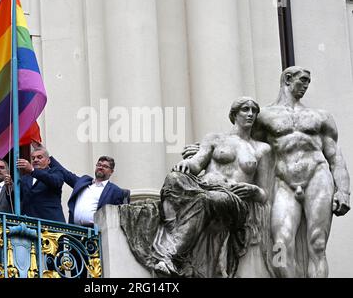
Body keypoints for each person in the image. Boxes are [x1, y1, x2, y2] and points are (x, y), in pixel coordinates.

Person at [149, 97, 274, 277]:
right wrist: (186, 164)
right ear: (234, 114)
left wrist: (253, 190)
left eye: (254, 111)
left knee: (205, 200)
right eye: (245, 109)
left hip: (233, 198)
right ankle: (172, 230)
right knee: (173, 178)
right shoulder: (215, 138)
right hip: (204, 186)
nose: (250, 114)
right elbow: (197, 163)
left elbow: (265, 193)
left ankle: (170, 255)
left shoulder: (262, 149)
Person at [252, 66, 350, 278]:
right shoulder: (264, 116)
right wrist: (204, 148)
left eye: (308, 81)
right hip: (284, 181)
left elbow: (335, 156)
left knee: (317, 243)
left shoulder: (320, 117)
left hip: (317, 176)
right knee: (279, 244)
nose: (306, 86)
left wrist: (343, 191)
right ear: (287, 79)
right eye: (303, 80)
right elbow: (246, 145)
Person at [53, 156, 125, 227]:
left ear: (111, 172)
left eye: (105, 166)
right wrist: (47, 158)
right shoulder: (83, 182)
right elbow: (65, 174)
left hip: (97, 234)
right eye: (99, 165)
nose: (101, 167)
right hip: (75, 231)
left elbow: (118, 218)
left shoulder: (115, 191)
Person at [10, 146, 66, 222]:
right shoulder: (25, 178)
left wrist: (32, 170)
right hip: (30, 224)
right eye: (33, 158)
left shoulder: (55, 172)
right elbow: (16, 199)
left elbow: (55, 182)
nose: (35, 160)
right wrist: (10, 187)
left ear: (48, 160)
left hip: (50, 223)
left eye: (39, 157)